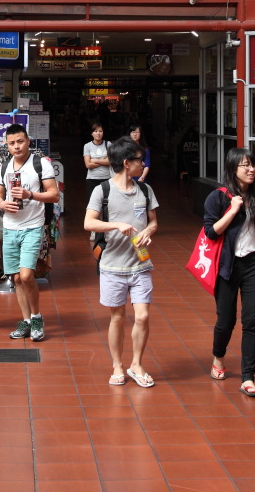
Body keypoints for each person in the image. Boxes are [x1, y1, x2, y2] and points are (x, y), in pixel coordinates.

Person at [84, 137, 160, 387]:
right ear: (127, 163)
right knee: (117, 317)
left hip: (140, 265)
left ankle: (136, 364)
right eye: (140, 160)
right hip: (112, 266)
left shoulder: (145, 190)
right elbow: (89, 223)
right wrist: (116, 224)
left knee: (142, 316)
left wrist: (148, 232)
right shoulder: (102, 191)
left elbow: (153, 222)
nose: (143, 164)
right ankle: (117, 365)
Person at [203, 147, 255, 397]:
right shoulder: (218, 198)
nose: (251, 169)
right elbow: (211, 232)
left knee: (251, 322)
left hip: (254, 264)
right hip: (227, 267)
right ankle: (218, 357)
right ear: (233, 168)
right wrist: (232, 210)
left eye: (254, 165)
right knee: (226, 321)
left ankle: (248, 378)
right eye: (246, 165)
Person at [0, 123, 59, 342]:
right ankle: (26, 321)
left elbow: (54, 195)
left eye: (20, 141)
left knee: (26, 275)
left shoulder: (41, 164)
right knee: (15, 278)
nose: (16, 146)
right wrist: (2, 204)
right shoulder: (4, 167)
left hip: (32, 226)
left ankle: (37, 316)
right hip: (10, 227)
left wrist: (30, 194)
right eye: (11, 143)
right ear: (7, 145)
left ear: (28, 141)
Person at [82, 122, 110, 204]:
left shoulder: (108, 144)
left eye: (100, 131)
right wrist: (103, 161)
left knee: (106, 203)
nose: (98, 133)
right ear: (92, 133)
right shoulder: (87, 146)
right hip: (91, 179)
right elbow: (88, 165)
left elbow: (110, 161)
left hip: (106, 178)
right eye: (96, 131)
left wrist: (95, 160)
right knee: (92, 203)